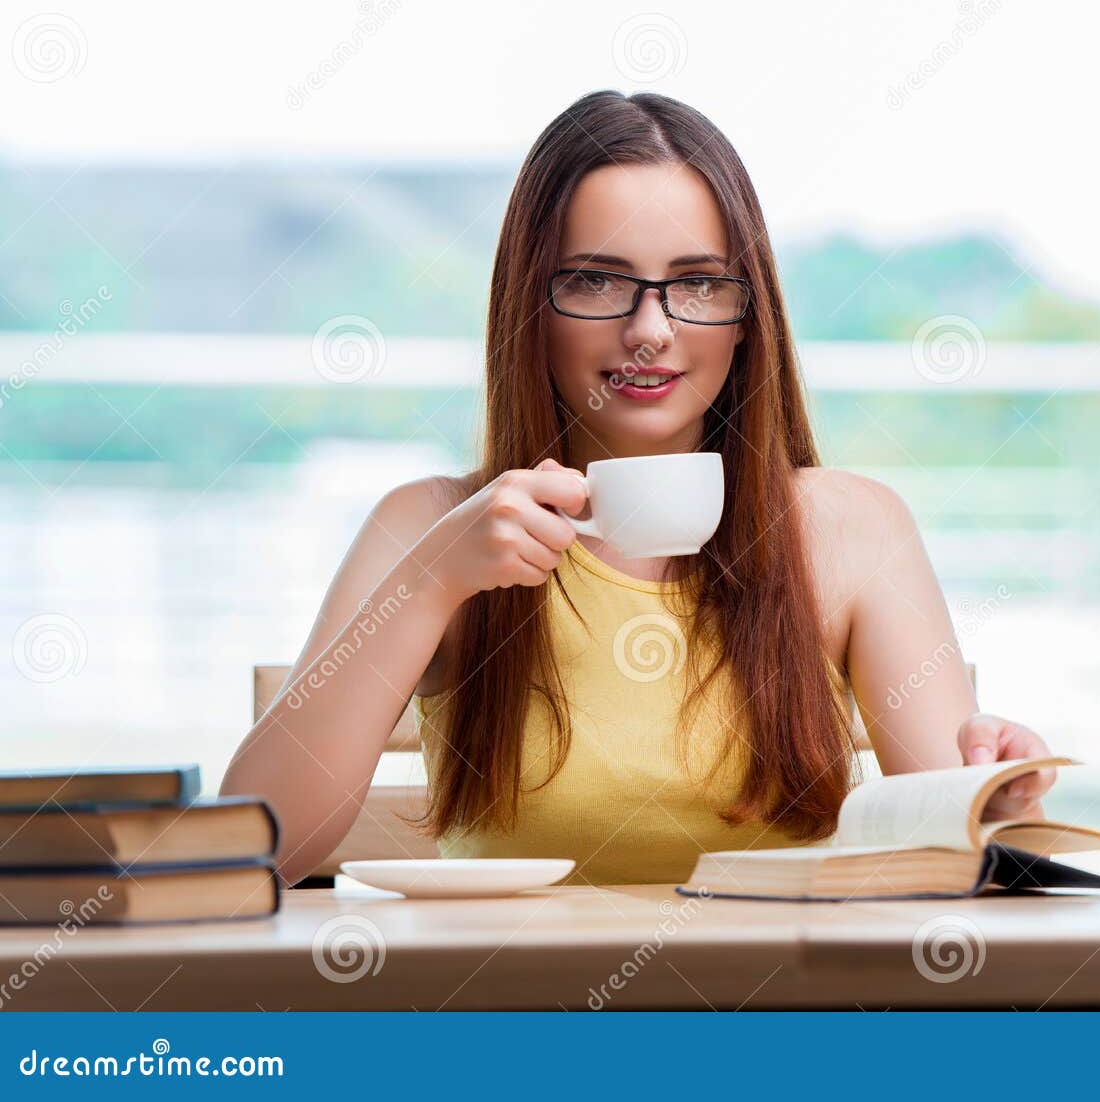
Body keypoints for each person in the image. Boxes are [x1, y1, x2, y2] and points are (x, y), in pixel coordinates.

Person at [222, 90, 1057, 885]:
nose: (651, 330)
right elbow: (256, 845)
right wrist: (431, 581)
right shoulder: (434, 526)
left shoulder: (849, 530)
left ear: (747, 314)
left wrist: (998, 793)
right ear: (531, 305)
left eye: (697, 283)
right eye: (596, 279)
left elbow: (960, 849)